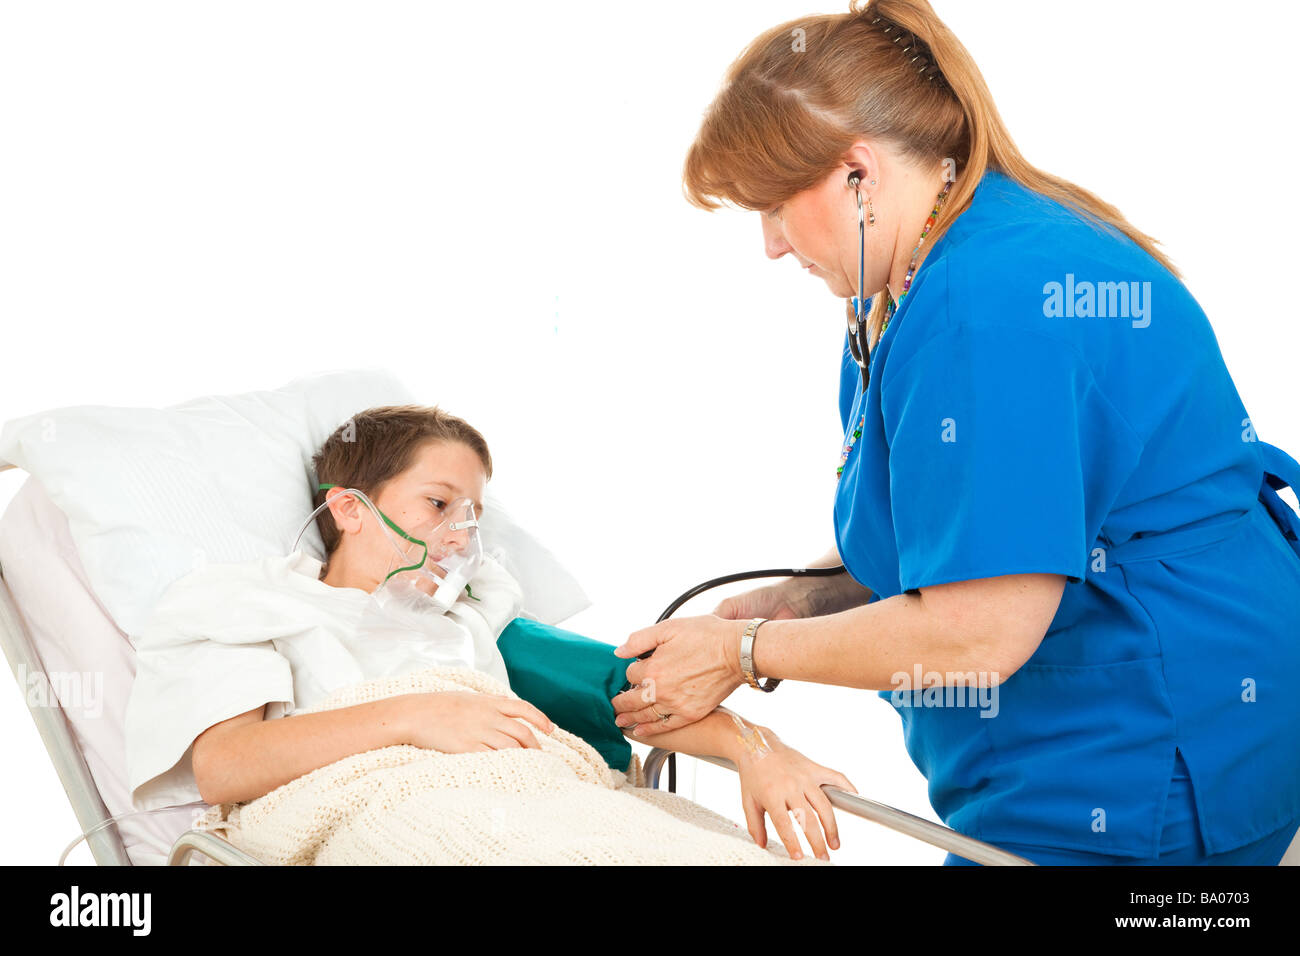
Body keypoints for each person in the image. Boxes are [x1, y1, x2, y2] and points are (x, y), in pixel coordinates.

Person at [609, 0, 1300, 865]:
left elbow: (978, 632)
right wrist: (796, 601)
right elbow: (963, 528)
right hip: (1093, 731)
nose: (772, 246)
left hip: (1151, 750)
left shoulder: (986, 306)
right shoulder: (915, 275)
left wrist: (745, 652)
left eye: (776, 207)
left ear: (857, 173)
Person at [124, 404, 856, 862]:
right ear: (347, 509)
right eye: (438, 503)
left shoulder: (473, 626)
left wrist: (757, 748)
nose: (460, 535)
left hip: (550, 803)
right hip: (397, 812)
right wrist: (416, 715)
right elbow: (225, 766)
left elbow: (632, 691)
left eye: (472, 514)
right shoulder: (255, 604)